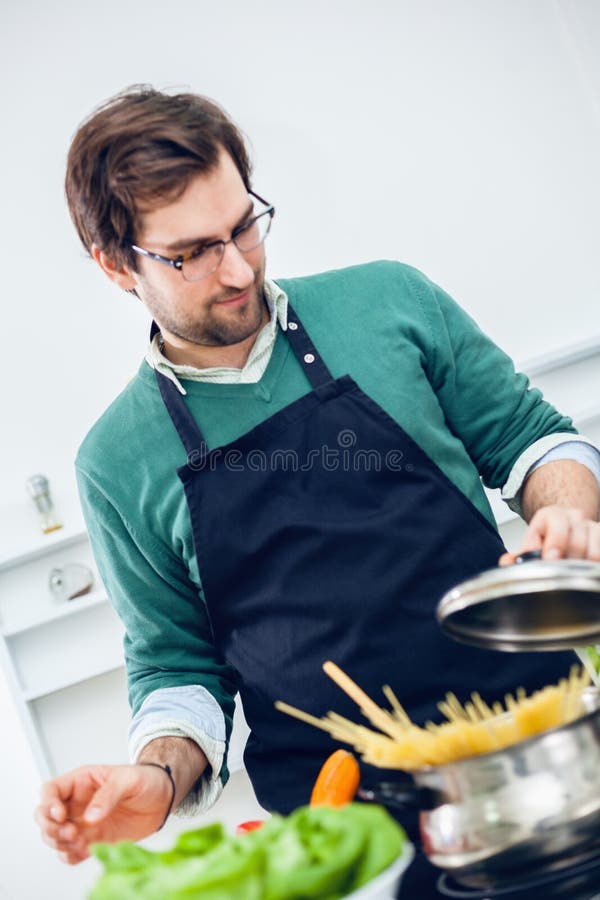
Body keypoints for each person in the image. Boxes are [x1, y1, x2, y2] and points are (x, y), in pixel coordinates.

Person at [35, 85, 600, 895]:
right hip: (347, 842)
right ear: (117, 263)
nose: (237, 269)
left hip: (546, 761)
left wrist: (569, 512)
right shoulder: (116, 460)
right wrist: (157, 781)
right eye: (192, 252)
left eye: (243, 227)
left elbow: (534, 440)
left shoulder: (389, 302)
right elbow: (175, 662)